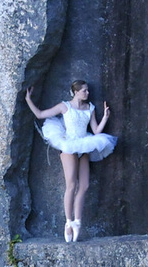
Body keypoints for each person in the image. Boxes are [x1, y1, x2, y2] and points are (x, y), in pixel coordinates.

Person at [25, 80, 117, 242]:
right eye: (84, 91)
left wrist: (105, 118)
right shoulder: (64, 106)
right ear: (75, 92)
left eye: (87, 91)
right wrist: (28, 100)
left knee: (85, 185)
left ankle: (77, 222)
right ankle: (68, 222)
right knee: (71, 185)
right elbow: (40, 114)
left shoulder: (90, 108)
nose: (87, 94)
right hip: (68, 144)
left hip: (84, 144)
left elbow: (96, 131)